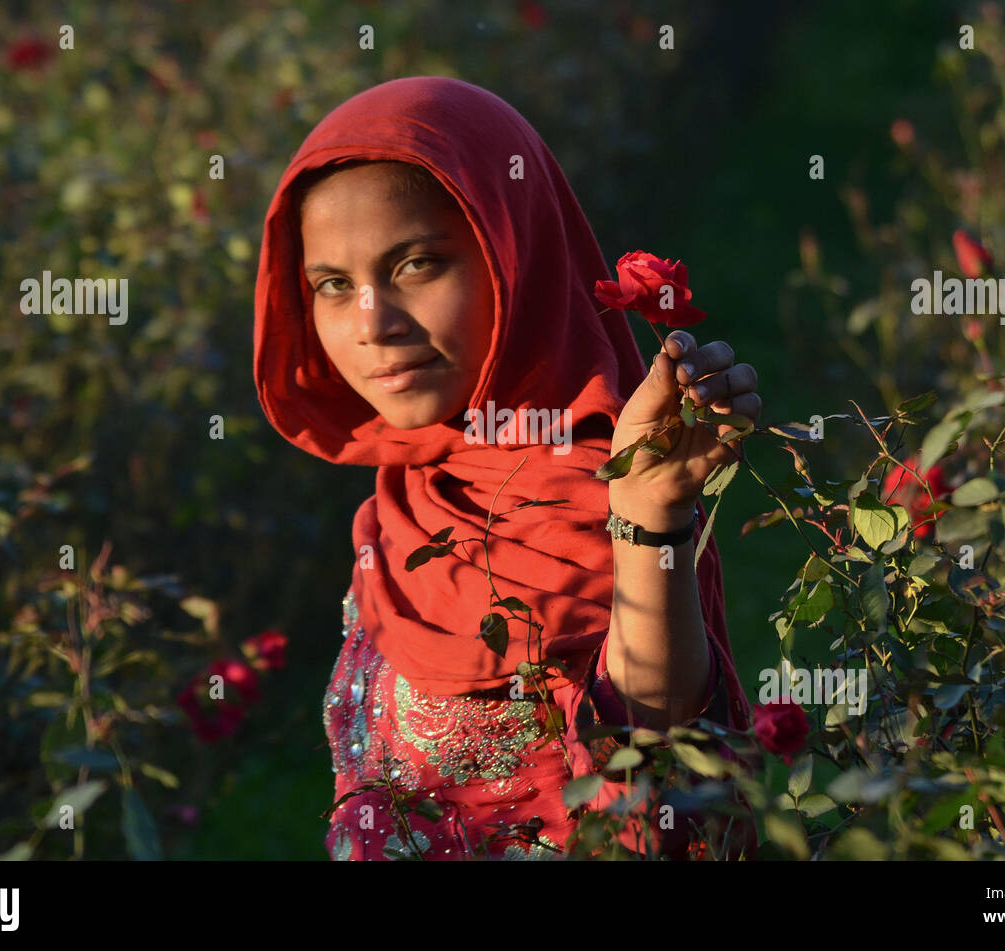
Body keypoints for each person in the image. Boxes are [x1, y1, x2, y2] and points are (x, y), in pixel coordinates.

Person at [252, 76, 763, 860]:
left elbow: (656, 751)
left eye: (416, 264)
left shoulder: (602, 495)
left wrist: (649, 521)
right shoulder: (408, 488)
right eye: (333, 284)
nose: (373, 325)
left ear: (511, 252)